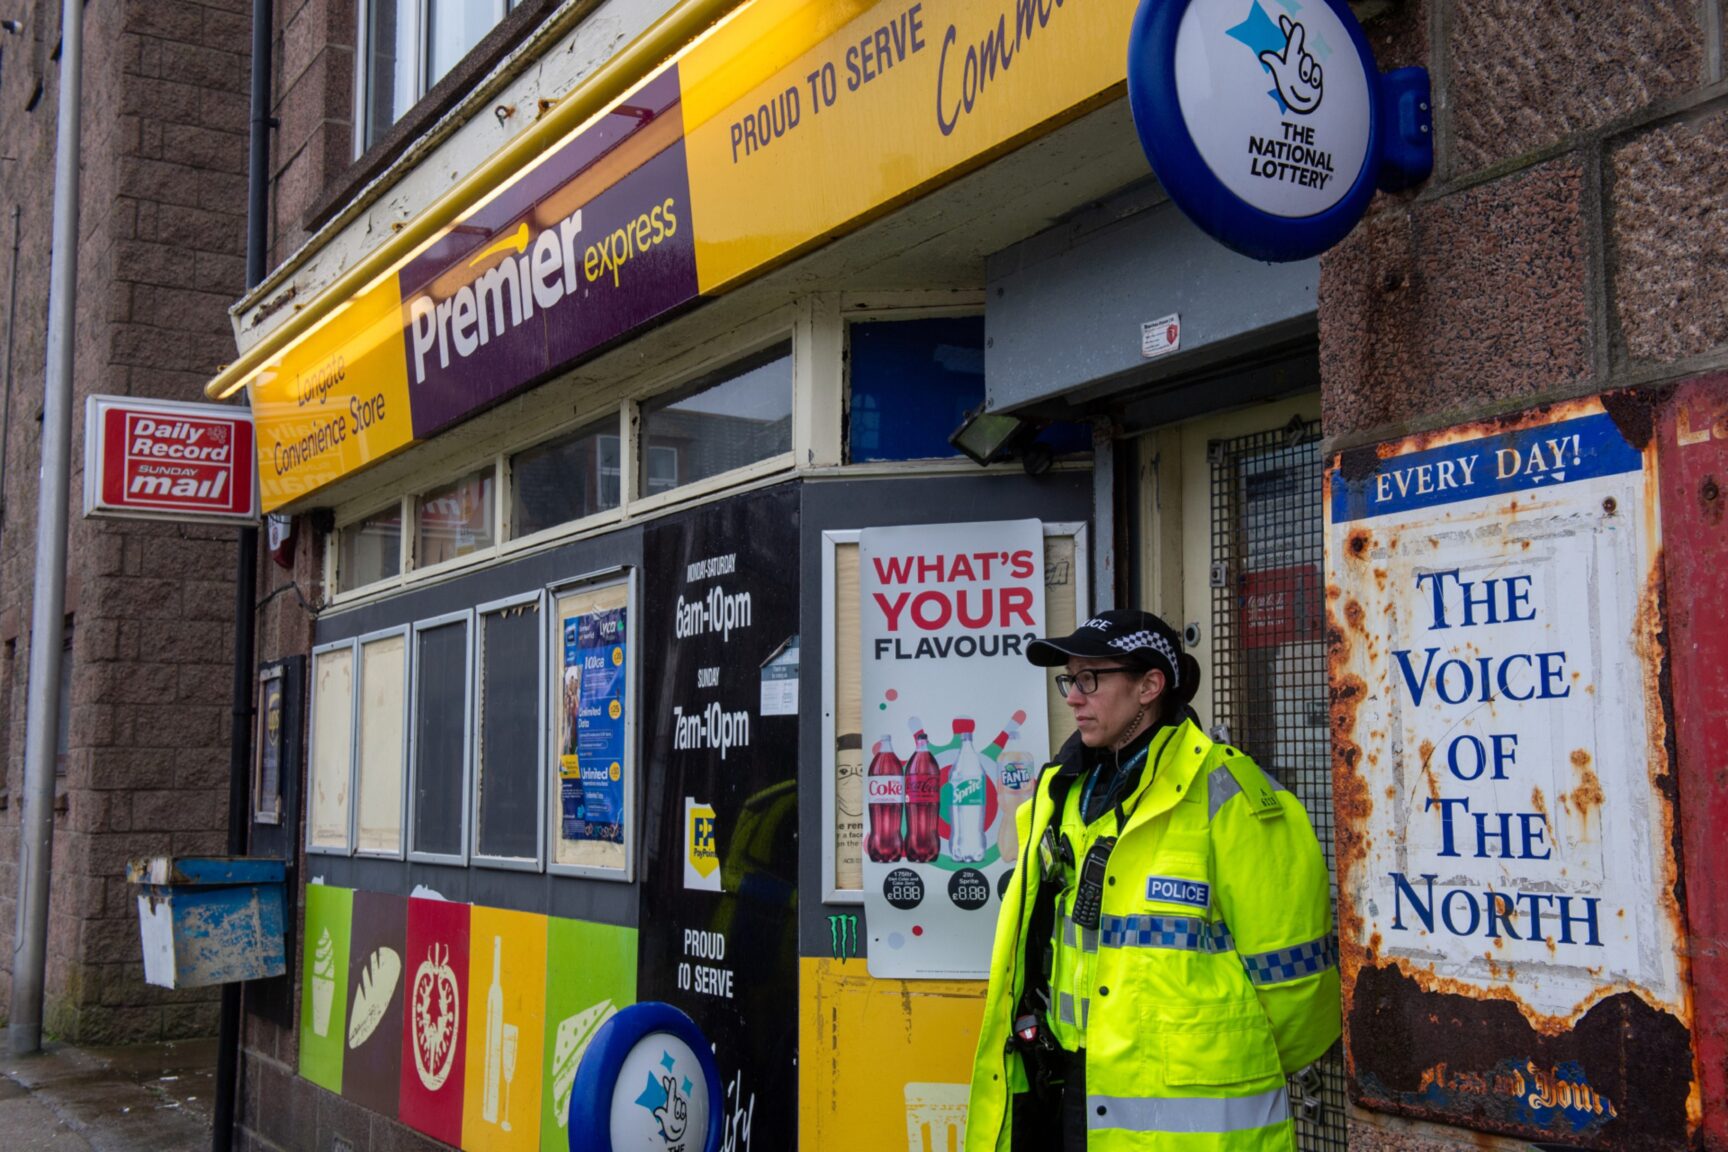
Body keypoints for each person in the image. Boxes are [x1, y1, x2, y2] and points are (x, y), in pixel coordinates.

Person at [965, 609, 1340, 1151]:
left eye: (1090, 679)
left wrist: (1225, 1063)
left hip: (1192, 1120)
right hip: (1070, 1086)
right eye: (1070, 681)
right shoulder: (1065, 790)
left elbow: (1299, 991)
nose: (1073, 697)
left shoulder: (1230, 794)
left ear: (1149, 686)